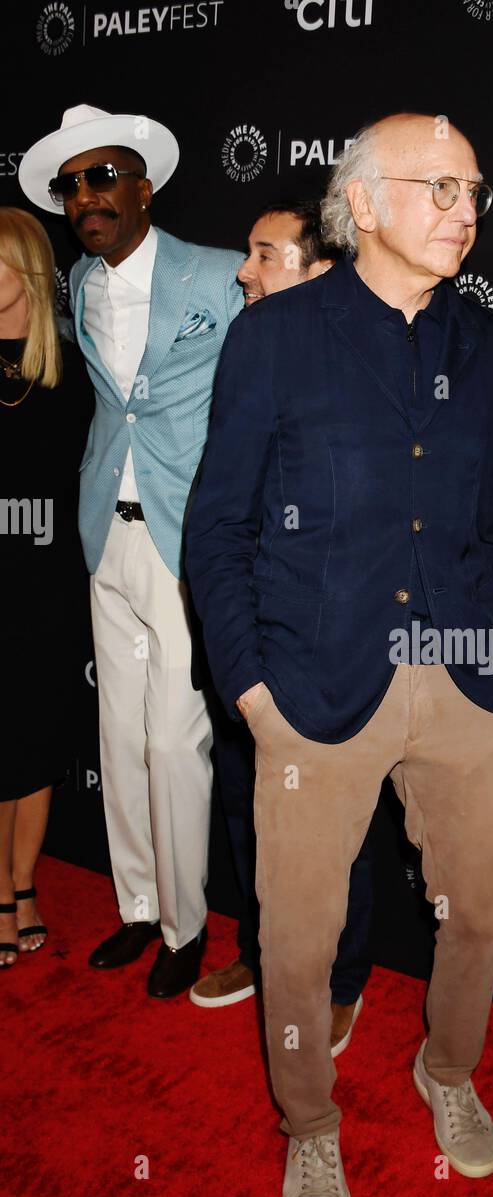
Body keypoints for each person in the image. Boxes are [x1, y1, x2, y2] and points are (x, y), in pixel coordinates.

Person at [185, 112, 493, 1197]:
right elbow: (219, 526)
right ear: (366, 203)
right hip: (314, 687)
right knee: (293, 941)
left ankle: (449, 1068)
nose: (465, 208)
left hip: (463, 683)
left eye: (472, 188)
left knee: (473, 914)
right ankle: (308, 1125)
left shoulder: (485, 345)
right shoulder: (275, 337)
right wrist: (249, 689)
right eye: (438, 188)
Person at [18, 105, 243, 997]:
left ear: (144, 186)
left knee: (175, 739)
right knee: (119, 731)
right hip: (102, 532)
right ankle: (139, 907)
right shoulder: (75, 287)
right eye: (72, 185)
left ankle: (187, 926)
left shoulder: (221, 276)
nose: (87, 197)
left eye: (103, 176)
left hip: (189, 538)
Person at [188, 199, 372, 1058]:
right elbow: (219, 508)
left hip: (329, 648)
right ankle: (262, 955)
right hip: (241, 633)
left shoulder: (363, 370)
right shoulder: (247, 347)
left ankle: (341, 979)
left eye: (265, 254)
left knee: (342, 830)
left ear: (320, 272)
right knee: (242, 806)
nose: (243, 271)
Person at [0, 207, 93, 967]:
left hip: (51, 580)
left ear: (28, 267)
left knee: (37, 739)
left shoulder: (71, 364)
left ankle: (23, 885)